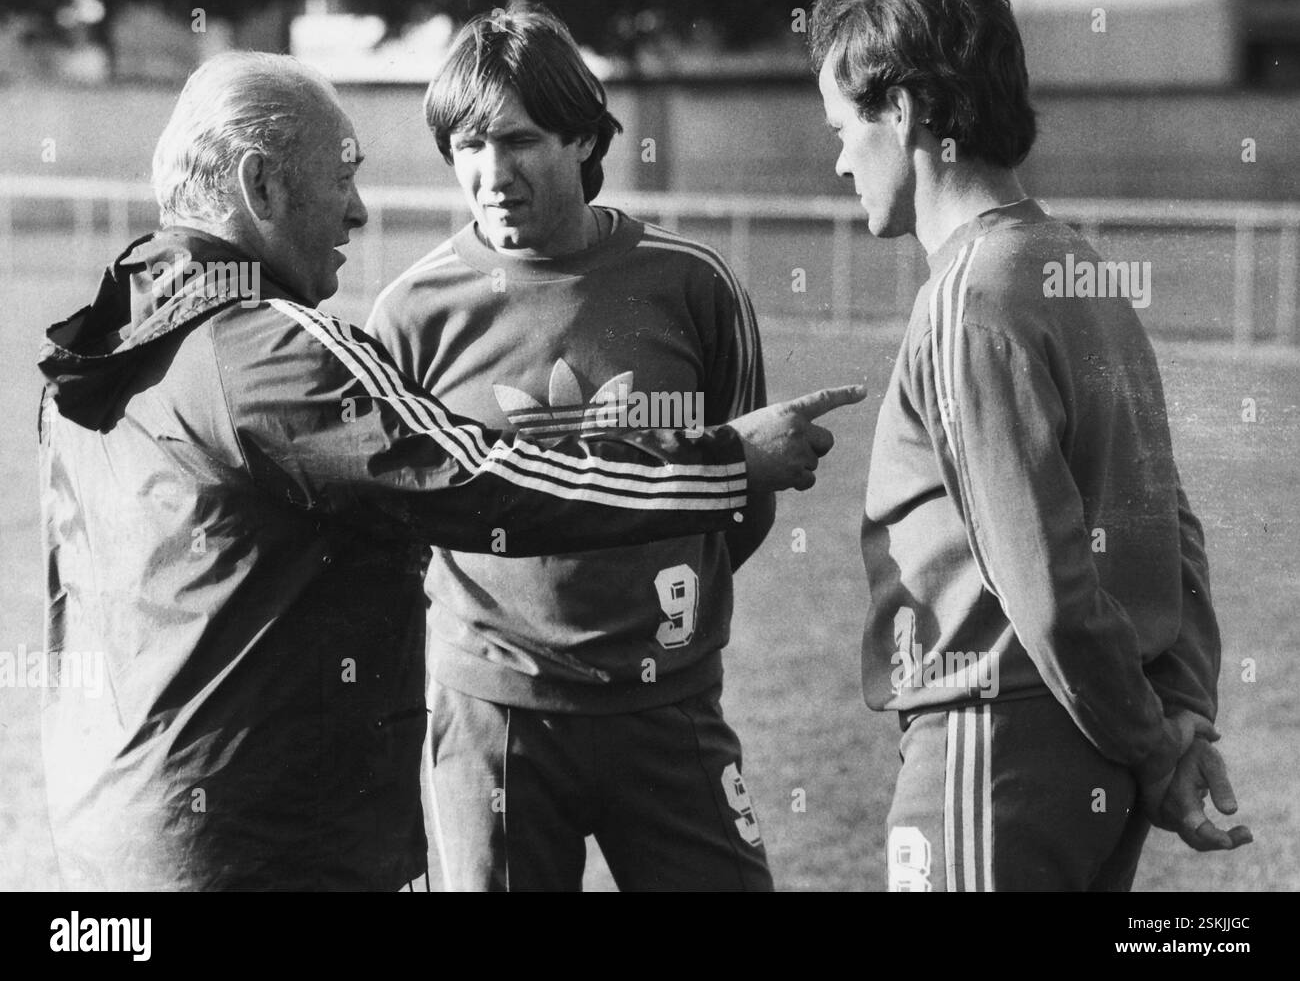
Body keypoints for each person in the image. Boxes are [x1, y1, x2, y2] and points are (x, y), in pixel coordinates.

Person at [36, 50, 862, 891]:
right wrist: (724, 463)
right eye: (340, 178)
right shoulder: (271, 349)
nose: (359, 210)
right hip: (248, 844)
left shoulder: (95, 344)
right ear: (262, 187)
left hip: (114, 837)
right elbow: (485, 482)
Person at [808, 0, 1251, 891]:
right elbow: (1171, 526)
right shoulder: (1079, 269)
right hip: (1092, 748)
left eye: (844, 123)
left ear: (906, 110)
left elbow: (1042, 581)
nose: (838, 158)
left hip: (994, 748)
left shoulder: (970, 297)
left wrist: (1148, 742)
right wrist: (1174, 721)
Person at [365, 7, 776, 892]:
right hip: (492, 721)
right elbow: (394, 531)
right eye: (467, 146)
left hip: (668, 707)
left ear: (586, 137)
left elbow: (743, 500)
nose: (491, 173)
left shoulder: (694, 286)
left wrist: (657, 613)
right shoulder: (410, 315)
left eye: (519, 141)